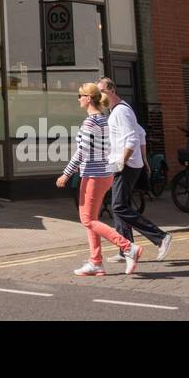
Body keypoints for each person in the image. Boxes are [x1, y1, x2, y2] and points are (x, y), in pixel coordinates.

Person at [56, 82, 138, 276]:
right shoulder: (104, 119)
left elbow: (81, 152)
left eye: (80, 95)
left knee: (87, 219)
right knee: (90, 219)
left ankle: (128, 247)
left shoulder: (91, 122)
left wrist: (66, 174)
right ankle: (96, 262)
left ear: (88, 98)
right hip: (105, 173)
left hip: (93, 174)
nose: (78, 99)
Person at [100, 77, 172, 263]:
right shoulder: (120, 110)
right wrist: (144, 159)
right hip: (128, 163)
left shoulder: (121, 112)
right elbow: (141, 133)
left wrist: (123, 162)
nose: (100, 96)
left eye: (103, 91)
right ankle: (126, 249)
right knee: (119, 206)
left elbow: (132, 138)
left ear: (112, 91)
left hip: (125, 165)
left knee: (118, 206)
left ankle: (160, 237)